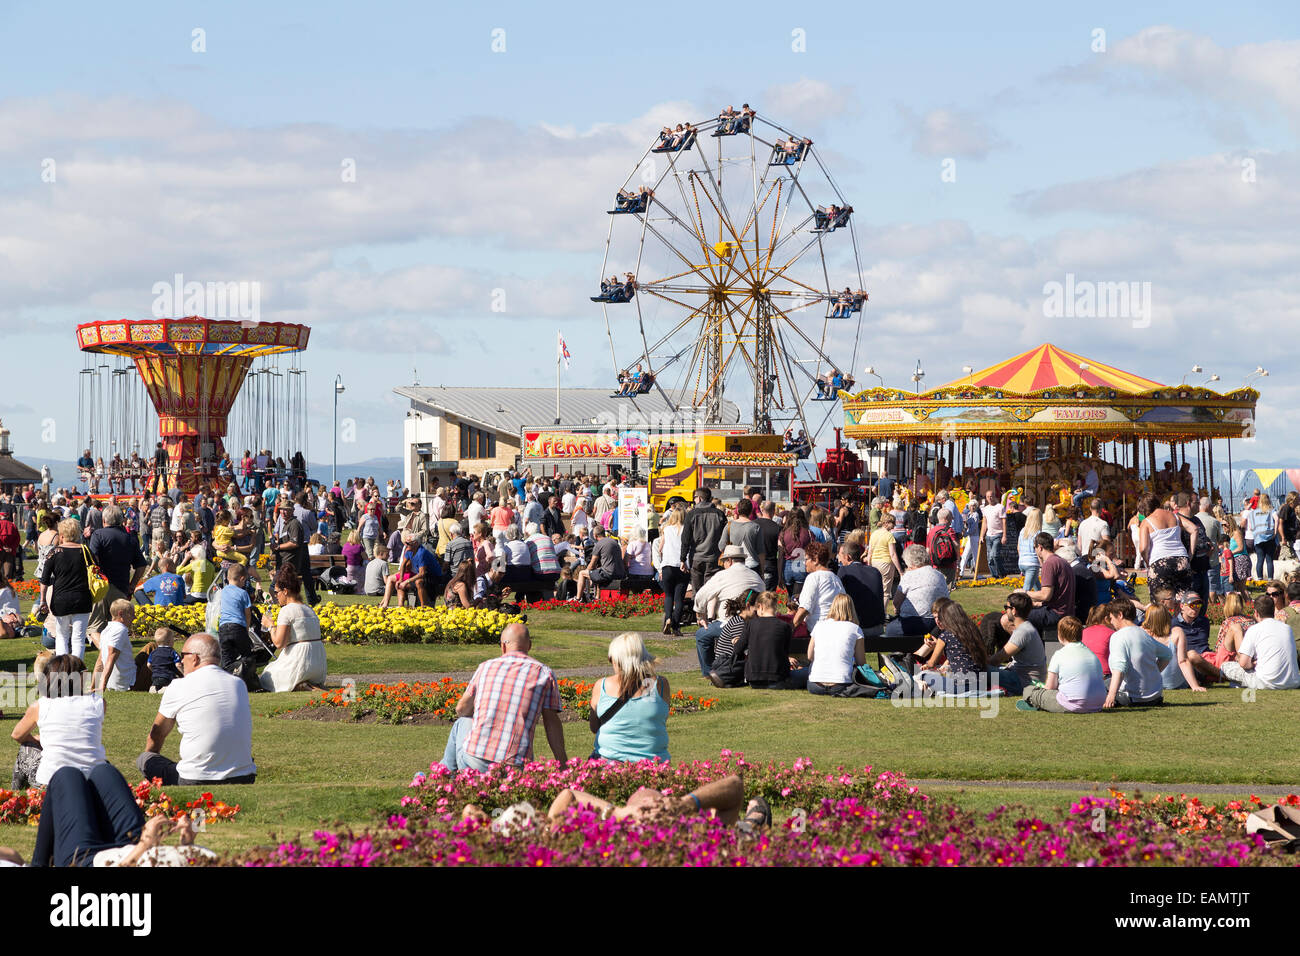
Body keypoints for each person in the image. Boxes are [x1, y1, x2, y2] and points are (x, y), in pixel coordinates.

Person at [441, 623, 567, 771]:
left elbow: (461, 709)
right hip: (515, 765)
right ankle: (447, 776)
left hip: (475, 761)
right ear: (529, 646)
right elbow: (551, 722)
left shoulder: (486, 667)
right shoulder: (544, 673)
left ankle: (443, 776)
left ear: (503, 646)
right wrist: (563, 764)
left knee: (462, 722)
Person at [138, 632, 257, 785]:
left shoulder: (179, 686)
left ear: (195, 658)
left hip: (197, 777)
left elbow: (157, 734)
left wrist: (152, 757)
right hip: (243, 775)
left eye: (183, 655)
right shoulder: (238, 684)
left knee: (144, 759)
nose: (181, 660)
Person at [10, 655, 106, 786]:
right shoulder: (98, 702)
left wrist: (37, 740)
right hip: (93, 778)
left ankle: (17, 792)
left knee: (25, 748)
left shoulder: (40, 705)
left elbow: (17, 735)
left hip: (51, 780)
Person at [590, 632, 670, 762]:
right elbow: (658, 720)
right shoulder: (660, 685)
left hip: (609, 763)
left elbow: (594, 727)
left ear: (617, 660)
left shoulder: (602, 686)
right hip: (654, 764)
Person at [693, 545, 765, 676]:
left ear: (730, 561)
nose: (723, 564)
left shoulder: (722, 575)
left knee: (701, 635)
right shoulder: (756, 576)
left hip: (729, 622)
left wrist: (700, 616)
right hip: (756, 623)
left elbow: (700, 596)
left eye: (724, 561)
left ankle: (709, 672)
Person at [260, 564, 327, 692]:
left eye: (276, 592)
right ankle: (306, 683)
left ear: (285, 591)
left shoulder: (286, 611)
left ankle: (301, 684)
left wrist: (270, 626)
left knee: (266, 677)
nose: (275, 596)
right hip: (318, 663)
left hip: (300, 661)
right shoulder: (309, 609)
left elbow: (279, 643)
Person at [1019, 616, 1106, 713]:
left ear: (1060, 635)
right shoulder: (1091, 654)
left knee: (1029, 690)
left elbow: (1050, 687)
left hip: (1073, 704)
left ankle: (1033, 701)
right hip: (1098, 704)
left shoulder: (1059, 654)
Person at [1218, 594, 1300, 690]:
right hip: (1292, 681)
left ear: (1256, 613)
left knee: (1225, 666)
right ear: (1273, 611)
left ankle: (1237, 683)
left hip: (1266, 682)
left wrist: (1253, 664)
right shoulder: (1287, 628)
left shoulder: (1254, 629)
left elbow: (1243, 663)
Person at [39, 518, 94, 659]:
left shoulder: (54, 552)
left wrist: (43, 600)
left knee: (62, 636)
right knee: (79, 637)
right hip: (82, 598)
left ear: (61, 535)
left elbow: (44, 579)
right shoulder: (86, 551)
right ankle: (77, 668)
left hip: (60, 599)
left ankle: (63, 668)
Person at [1103, 600, 1172, 708]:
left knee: (1098, 686)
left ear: (1120, 615)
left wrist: (1111, 696)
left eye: (1111, 618)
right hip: (1155, 696)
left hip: (1133, 697)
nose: (1111, 622)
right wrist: (1153, 673)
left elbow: (1119, 669)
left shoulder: (1118, 636)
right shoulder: (1143, 634)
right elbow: (1167, 654)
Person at [914, 598, 990, 694]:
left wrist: (926, 666)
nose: (938, 621)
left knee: (923, 675)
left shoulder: (945, 636)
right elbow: (959, 652)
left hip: (961, 687)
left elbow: (931, 664)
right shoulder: (972, 630)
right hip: (982, 684)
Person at [807, 593, 872, 697]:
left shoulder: (819, 626)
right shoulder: (855, 629)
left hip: (815, 685)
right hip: (841, 684)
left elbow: (810, 656)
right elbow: (861, 663)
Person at [739, 591, 804, 689]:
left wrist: (734, 641)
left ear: (760, 606)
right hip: (778, 678)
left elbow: (738, 649)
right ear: (775, 606)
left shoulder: (750, 624)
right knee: (806, 672)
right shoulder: (785, 627)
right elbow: (785, 652)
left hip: (753, 679)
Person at [885, 544, 947, 637]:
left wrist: (897, 610)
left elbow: (896, 602)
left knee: (890, 629)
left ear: (912, 563)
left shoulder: (910, 575)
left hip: (914, 621)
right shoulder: (939, 575)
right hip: (936, 623)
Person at [1023, 532, 1075, 633]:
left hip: (1056, 614)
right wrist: (1039, 603)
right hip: (1067, 612)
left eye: (1035, 548)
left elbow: (1045, 595)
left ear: (1040, 547)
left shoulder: (1050, 563)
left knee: (1017, 616)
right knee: (1032, 611)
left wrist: (1024, 593)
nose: (1035, 551)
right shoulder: (1062, 561)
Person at [790, 540, 845, 634]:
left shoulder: (813, 577)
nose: (804, 563)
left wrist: (790, 629)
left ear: (815, 560)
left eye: (806, 559)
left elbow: (804, 609)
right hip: (837, 629)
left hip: (818, 631)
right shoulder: (836, 578)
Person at [837, 538, 886, 637]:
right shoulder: (875, 571)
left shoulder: (844, 571)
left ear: (848, 557)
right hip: (877, 626)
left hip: (857, 627)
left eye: (840, 556)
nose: (839, 559)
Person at [682, 487, 726, 593]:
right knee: (711, 591)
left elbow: (685, 539)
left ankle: (698, 609)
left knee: (697, 592)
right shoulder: (719, 514)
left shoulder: (691, 514)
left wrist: (682, 558)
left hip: (696, 557)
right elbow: (725, 537)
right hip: (714, 558)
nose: (694, 500)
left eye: (695, 498)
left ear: (700, 498)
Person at [90, 599, 137, 693]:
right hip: (126, 683)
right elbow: (110, 659)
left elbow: (100, 661)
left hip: (116, 682)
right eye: (131, 614)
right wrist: (101, 688)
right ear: (121, 614)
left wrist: (92, 686)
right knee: (151, 647)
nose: (134, 617)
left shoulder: (106, 630)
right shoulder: (120, 630)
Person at [655, 503, 688, 636]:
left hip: (667, 565)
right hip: (682, 565)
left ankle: (668, 617)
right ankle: (676, 626)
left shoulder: (667, 529)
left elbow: (660, 548)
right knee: (679, 598)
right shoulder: (687, 529)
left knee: (668, 595)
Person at [574, 525, 627, 601]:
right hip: (620, 573)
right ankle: (597, 597)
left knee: (582, 573)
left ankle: (578, 598)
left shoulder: (598, 545)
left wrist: (588, 571)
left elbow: (592, 565)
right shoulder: (614, 542)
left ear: (595, 536)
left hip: (609, 574)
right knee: (598, 572)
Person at [1249, 494, 1281, 581]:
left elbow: (1251, 526)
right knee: (1269, 559)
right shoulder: (1271, 510)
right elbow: (1277, 519)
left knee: (1260, 559)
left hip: (1258, 538)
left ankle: (1260, 579)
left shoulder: (1253, 512)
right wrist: (1275, 532)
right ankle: (1270, 579)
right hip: (1269, 537)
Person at [979, 490, 1006, 578]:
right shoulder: (985, 509)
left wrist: (1004, 536)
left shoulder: (1000, 507)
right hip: (988, 536)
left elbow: (1004, 522)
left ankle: (1002, 573)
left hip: (998, 534)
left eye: (991, 496)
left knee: (995, 555)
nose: (990, 498)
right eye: (987, 497)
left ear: (994, 496)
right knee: (990, 558)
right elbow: (984, 523)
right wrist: (982, 536)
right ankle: (994, 576)